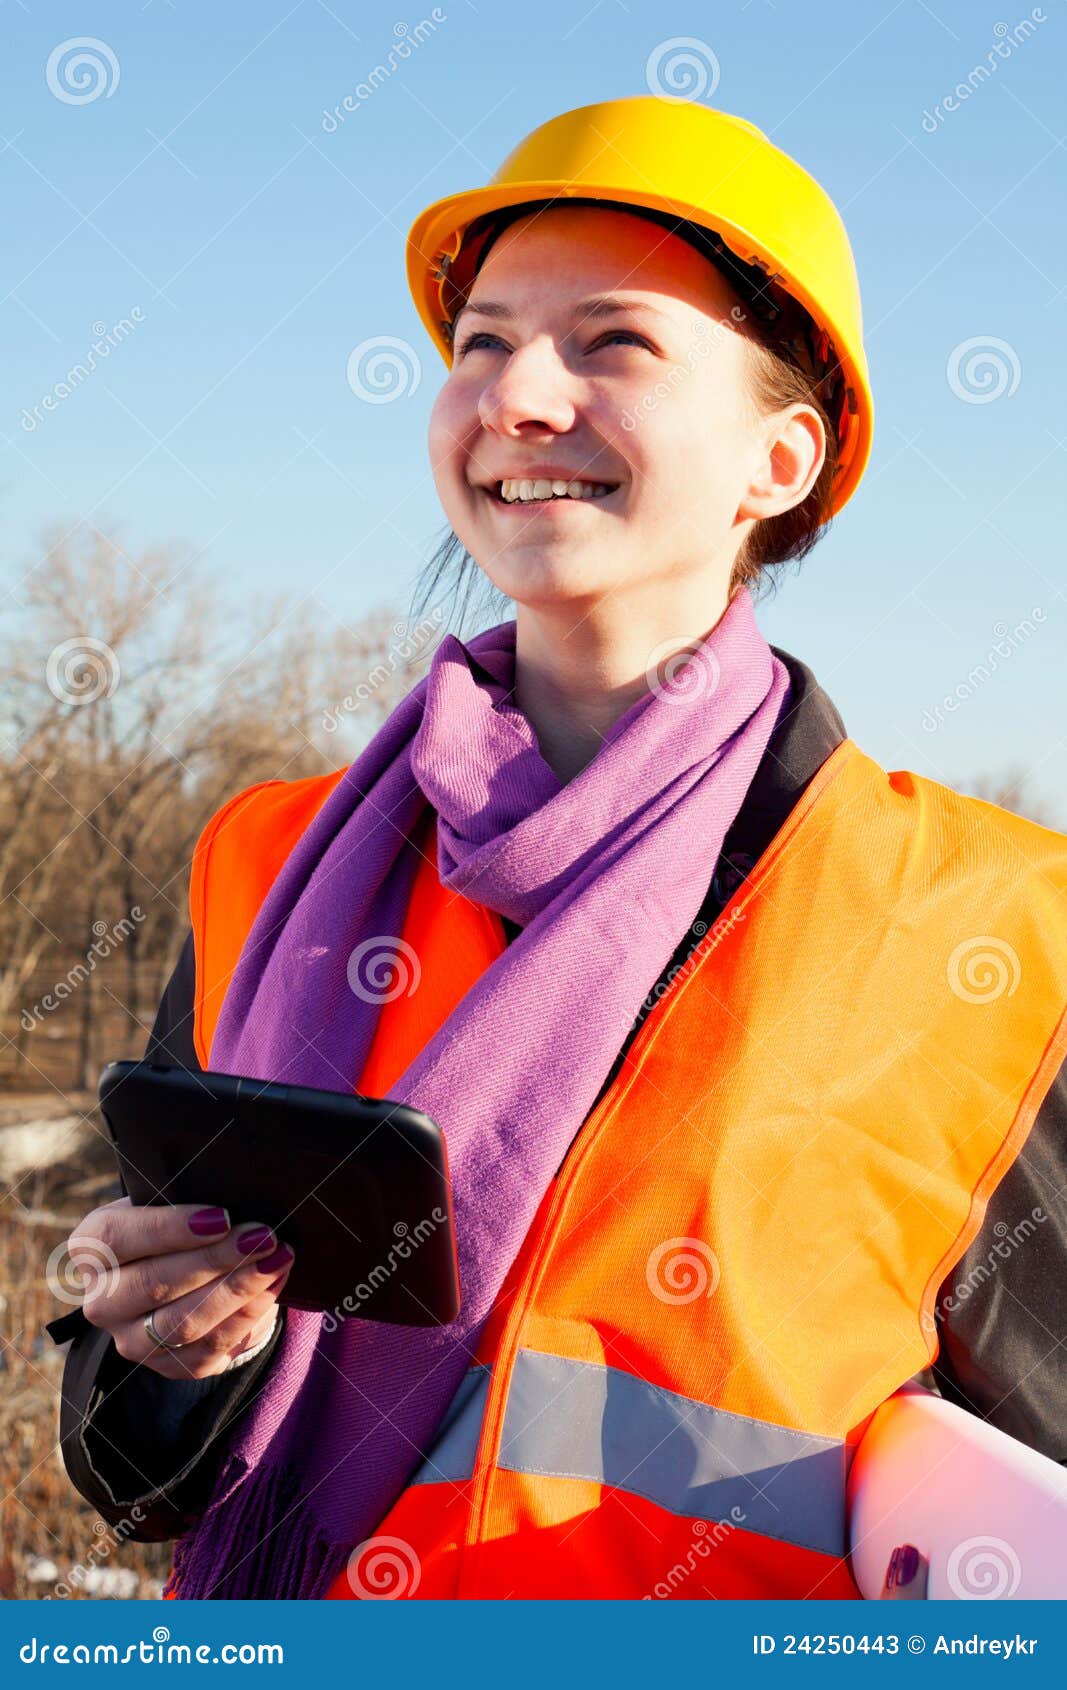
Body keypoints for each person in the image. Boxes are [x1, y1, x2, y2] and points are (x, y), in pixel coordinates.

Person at [52, 96, 1067, 1602]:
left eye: (613, 342)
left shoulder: (989, 921)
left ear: (779, 459)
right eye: (480, 342)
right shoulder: (261, 858)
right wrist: (165, 1351)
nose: (515, 394)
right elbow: (135, 1449)